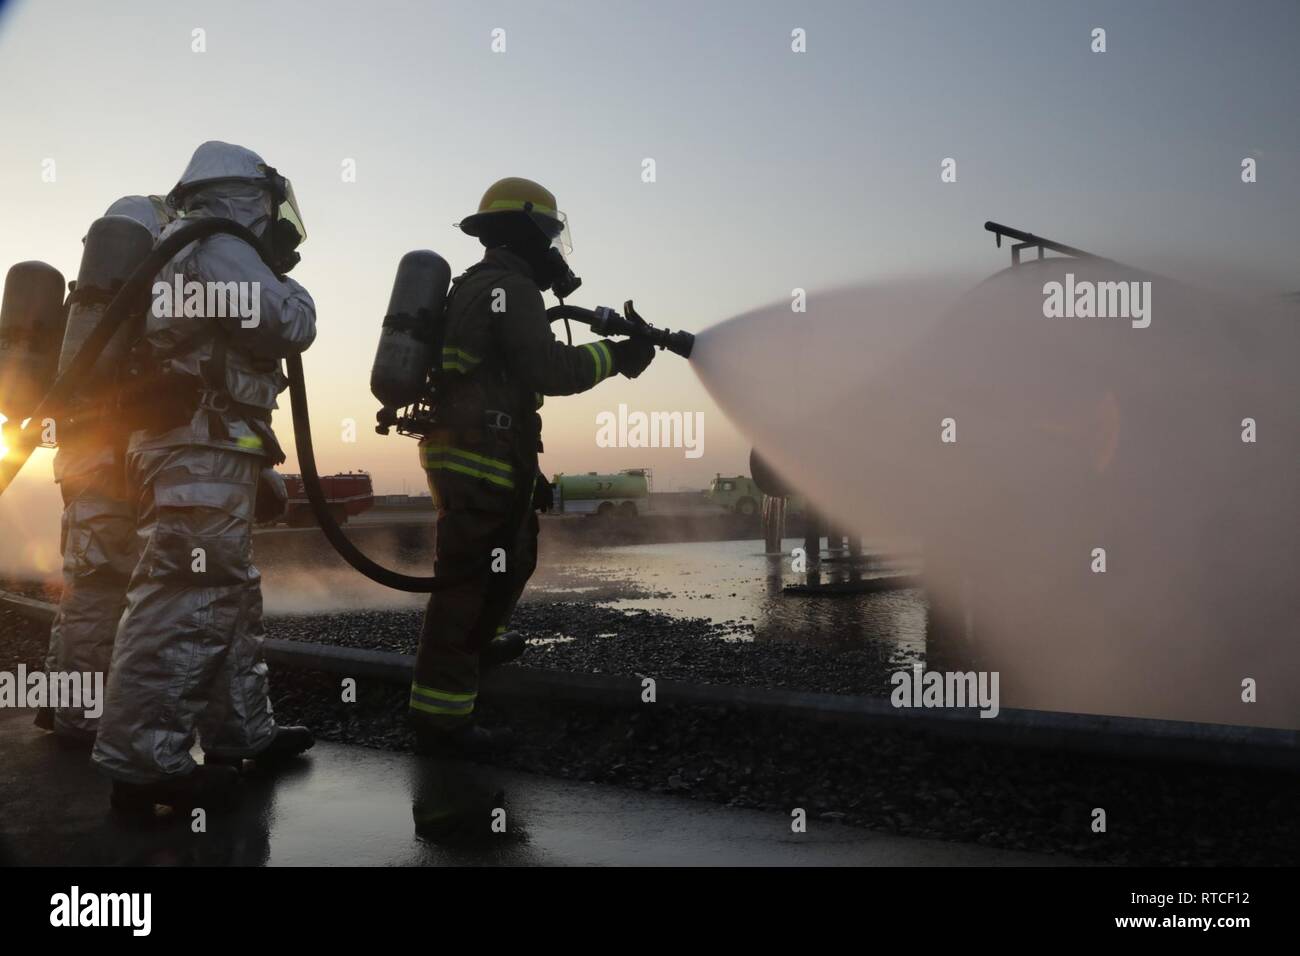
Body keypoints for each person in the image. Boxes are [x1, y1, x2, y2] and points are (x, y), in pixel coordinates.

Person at [91, 142, 316, 812]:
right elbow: (285, 324)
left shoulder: (189, 245)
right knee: (186, 597)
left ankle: (241, 732)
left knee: (229, 595)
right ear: (250, 196)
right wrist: (295, 287)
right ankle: (142, 766)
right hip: (200, 449)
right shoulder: (216, 240)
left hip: (210, 447)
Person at [410, 177, 655, 755]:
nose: (553, 248)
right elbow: (549, 370)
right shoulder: (510, 289)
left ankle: (481, 647)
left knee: (515, 555)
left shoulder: (493, 285)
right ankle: (442, 720)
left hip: (493, 454)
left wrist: (531, 473)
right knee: (464, 586)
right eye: (547, 234)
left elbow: (505, 386)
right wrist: (617, 356)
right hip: (477, 458)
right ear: (522, 232)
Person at [36, 195, 172, 748]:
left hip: (79, 463)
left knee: (84, 588)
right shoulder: (134, 305)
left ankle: (57, 703)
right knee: (101, 592)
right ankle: (80, 721)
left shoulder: (83, 308)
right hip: (110, 464)